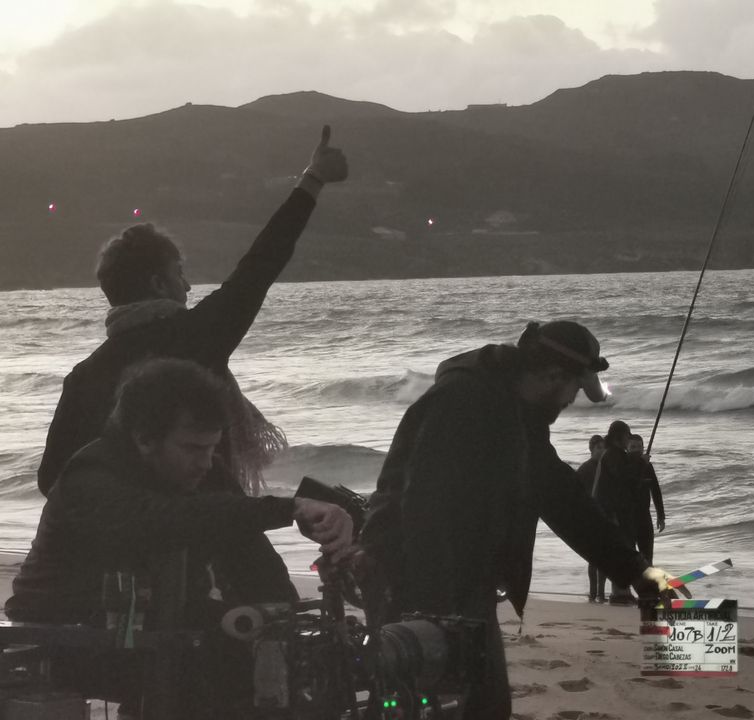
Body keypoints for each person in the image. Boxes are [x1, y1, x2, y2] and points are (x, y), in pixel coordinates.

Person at [359, 321, 678, 720]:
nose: (571, 400)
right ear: (552, 375)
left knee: (478, 705)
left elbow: (561, 498)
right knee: (432, 703)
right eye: (575, 389)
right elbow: (421, 503)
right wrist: (437, 610)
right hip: (414, 579)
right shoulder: (464, 400)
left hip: (462, 580)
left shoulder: (514, 409)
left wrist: (635, 571)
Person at [5, 358, 353, 717]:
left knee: (302, 672)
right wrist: (288, 509)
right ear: (143, 439)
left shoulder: (201, 471)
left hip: (159, 627)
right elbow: (165, 521)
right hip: (63, 637)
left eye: (212, 448)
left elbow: (250, 555)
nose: (205, 462)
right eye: (192, 448)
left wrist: (289, 625)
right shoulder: (91, 476)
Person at [36, 126, 349, 498]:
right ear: (157, 283)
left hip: (124, 543)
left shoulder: (85, 375)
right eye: (178, 274)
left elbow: (51, 478)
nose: (186, 287)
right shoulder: (198, 334)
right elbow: (263, 261)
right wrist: (312, 179)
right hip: (206, 523)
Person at [595, 420, 644, 604]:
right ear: (619, 436)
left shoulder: (615, 454)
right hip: (615, 512)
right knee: (621, 550)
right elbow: (623, 479)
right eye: (627, 435)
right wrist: (639, 462)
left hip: (618, 511)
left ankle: (622, 590)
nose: (628, 439)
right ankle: (619, 592)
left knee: (623, 550)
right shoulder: (613, 455)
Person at [575, 434, 608, 602]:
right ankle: (593, 592)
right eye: (599, 448)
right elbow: (576, 493)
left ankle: (601, 593)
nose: (602, 451)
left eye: (604, 448)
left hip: (605, 516)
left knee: (603, 557)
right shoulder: (585, 468)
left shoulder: (608, 468)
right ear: (592, 449)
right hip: (590, 516)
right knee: (594, 557)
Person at [627, 432, 666, 564]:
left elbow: (655, 490)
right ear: (626, 449)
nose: (637, 450)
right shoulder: (623, 465)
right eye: (633, 447)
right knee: (630, 559)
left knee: (648, 558)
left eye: (639, 447)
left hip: (644, 516)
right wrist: (640, 463)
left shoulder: (648, 466)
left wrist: (661, 515)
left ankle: (649, 582)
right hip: (627, 518)